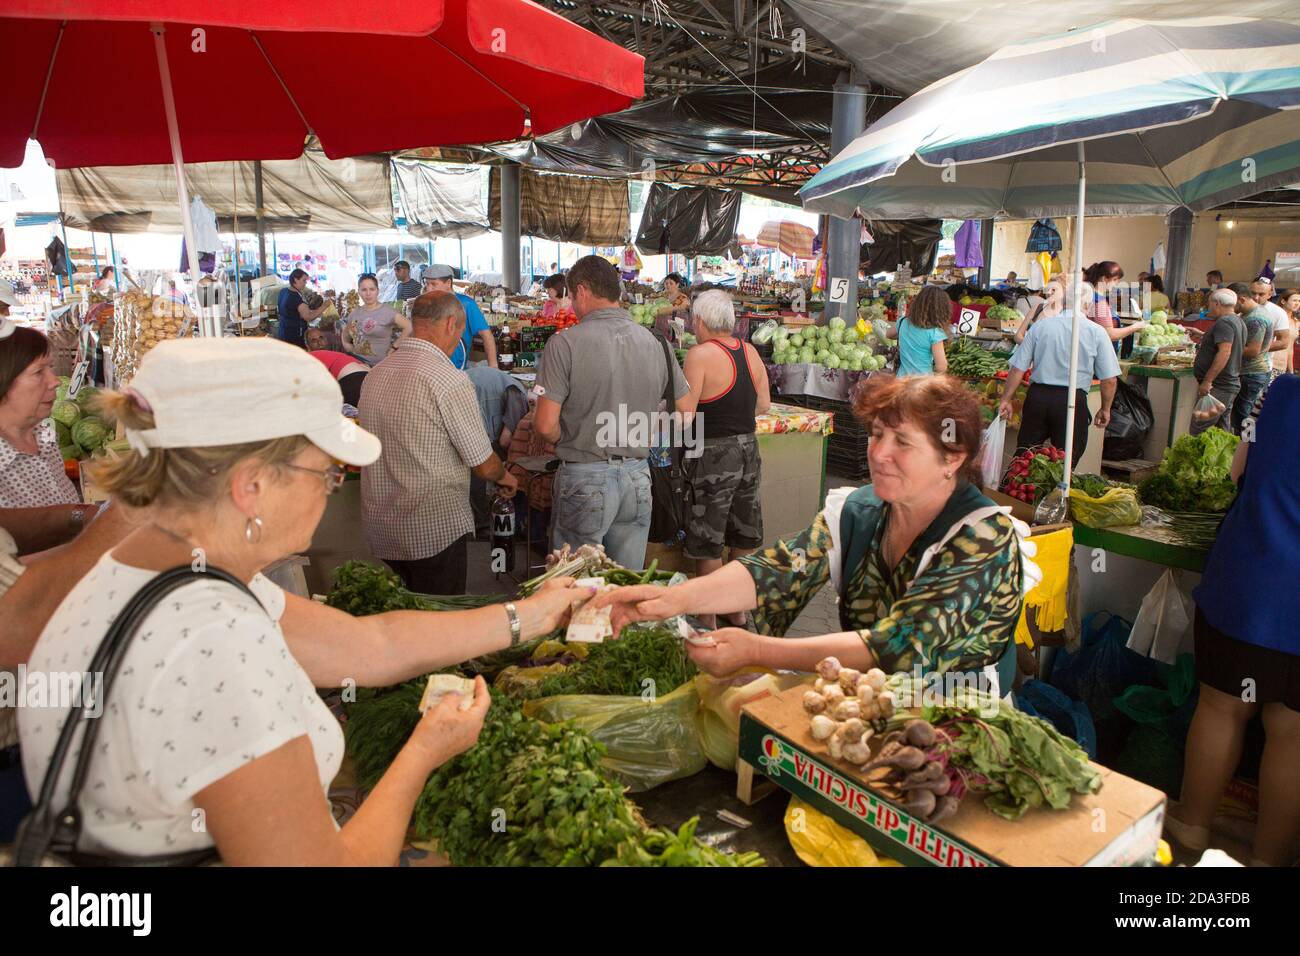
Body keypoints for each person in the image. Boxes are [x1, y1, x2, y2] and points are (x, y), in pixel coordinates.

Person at [15, 336, 584, 864]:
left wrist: (529, 615)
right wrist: (424, 751)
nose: (330, 488)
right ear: (252, 485)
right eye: (325, 472)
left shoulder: (157, 573)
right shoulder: (212, 643)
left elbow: (370, 645)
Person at [595, 376, 1030, 693]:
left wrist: (757, 651)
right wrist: (674, 599)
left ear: (952, 457)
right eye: (876, 435)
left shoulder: (983, 538)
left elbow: (900, 646)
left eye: (903, 442)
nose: (879, 453)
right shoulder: (861, 511)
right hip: (870, 703)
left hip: (958, 725)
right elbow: (779, 570)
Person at [1166, 376, 1300, 866]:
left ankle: (1193, 826)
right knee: (1293, 732)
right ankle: (1269, 856)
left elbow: (1236, 471)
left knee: (1223, 707)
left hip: (1252, 583)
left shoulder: (1280, 393)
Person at [534, 255, 689, 571]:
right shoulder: (656, 342)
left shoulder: (564, 344)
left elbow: (545, 425)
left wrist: (575, 433)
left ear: (582, 290)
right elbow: (685, 410)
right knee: (625, 586)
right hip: (637, 478)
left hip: (584, 476)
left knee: (575, 587)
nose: (572, 305)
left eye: (572, 296)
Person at [360, 292, 518, 595]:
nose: (458, 338)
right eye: (460, 331)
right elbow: (484, 464)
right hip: (432, 528)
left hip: (383, 528)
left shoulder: (376, 374)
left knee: (404, 613)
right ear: (450, 324)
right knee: (439, 621)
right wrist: (506, 477)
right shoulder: (448, 380)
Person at [676, 291, 770, 615]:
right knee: (742, 533)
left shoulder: (699, 355)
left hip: (714, 452)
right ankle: (737, 611)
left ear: (699, 321)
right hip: (749, 450)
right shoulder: (750, 352)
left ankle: (708, 618)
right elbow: (764, 405)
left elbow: (686, 414)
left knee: (708, 537)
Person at [999, 279, 1120, 466]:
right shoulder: (1097, 332)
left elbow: (1018, 368)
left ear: (1064, 302)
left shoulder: (1040, 327)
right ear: (1087, 305)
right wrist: (1105, 409)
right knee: (1065, 461)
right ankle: (1056, 494)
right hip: (1071, 400)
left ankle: (1014, 492)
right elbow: (1109, 380)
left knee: (1024, 457)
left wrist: (1006, 399)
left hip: (1037, 398)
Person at [1, 325, 81, 510]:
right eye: (38, 372)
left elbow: (68, 512)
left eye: (50, 368)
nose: (55, 381)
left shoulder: (44, 437)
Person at [465, 364, 529, 536]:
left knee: (476, 469)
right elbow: (505, 440)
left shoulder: (507, 384)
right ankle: (484, 525)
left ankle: (481, 521)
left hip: (470, 402)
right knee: (481, 469)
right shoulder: (517, 391)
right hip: (476, 421)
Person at [1185, 288, 1245, 435]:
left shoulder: (1224, 322)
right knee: (1220, 432)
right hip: (1227, 386)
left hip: (1218, 387)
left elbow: (1224, 352)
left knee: (1199, 430)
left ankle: (1195, 458)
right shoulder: (1237, 321)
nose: (1207, 307)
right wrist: (1204, 335)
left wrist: (1207, 381)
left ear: (1217, 303)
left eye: (1209, 303)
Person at [421, 264, 496, 370]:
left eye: (433, 284)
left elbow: (487, 336)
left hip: (455, 371)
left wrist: (493, 368)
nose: (429, 288)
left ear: (448, 283)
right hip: (429, 368)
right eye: (426, 284)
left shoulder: (466, 304)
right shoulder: (426, 304)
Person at [1230, 283, 1275, 434]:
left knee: (1245, 416)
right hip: (1250, 372)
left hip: (1252, 374)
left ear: (1241, 299)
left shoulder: (1256, 318)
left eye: (1231, 302)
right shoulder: (1249, 314)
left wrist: (1225, 349)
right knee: (1241, 416)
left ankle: (1246, 450)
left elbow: (1252, 350)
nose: (1230, 307)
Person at [341, 273, 410, 365]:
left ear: (377, 291)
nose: (368, 294)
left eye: (372, 289)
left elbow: (409, 326)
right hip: (359, 364)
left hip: (381, 365)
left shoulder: (387, 311)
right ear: (359, 292)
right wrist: (347, 346)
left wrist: (394, 347)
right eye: (364, 290)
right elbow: (345, 333)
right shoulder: (355, 312)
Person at [891, 285, 950, 377]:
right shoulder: (935, 333)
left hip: (900, 381)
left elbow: (888, 334)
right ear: (942, 310)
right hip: (922, 384)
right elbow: (941, 367)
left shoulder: (903, 322)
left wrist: (904, 335)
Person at [304, 327, 370, 408]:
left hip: (357, 377)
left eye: (321, 338)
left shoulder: (308, 358)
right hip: (367, 375)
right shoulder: (334, 356)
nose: (319, 342)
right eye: (314, 340)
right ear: (308, 345)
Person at [1082, 261, 1146, 344]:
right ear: (1104, 279)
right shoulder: (1099, 302)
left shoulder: (1091, 296)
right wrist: (1135, 327)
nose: (1117, 283)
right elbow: (1109, 334)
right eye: (1115, 280)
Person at [1250, 278, 1294, 381]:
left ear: (1269, 295)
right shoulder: (1242, 308)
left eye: (1261, 294)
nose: (1256, 297)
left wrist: (1255, 348)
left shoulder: (1277, 312)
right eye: (1253, 293)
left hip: (1259, 368)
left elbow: (1283, 342)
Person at [276, 268, 328, 349]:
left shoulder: (284, 291)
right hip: (294, 335)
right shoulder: (295, 297)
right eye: (304, 280)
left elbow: (294, 311)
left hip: (283, 331)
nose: (305, 283)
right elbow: (308, 317)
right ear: (295, 280)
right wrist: (324, 306)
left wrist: (316, 311)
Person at [1013, 275, 1066, 343]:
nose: (1049, 292)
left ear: (1063, 291)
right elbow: (1018, 336)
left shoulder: (1067, 313)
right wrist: (1031, 346)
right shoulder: (1038, 308)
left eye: (1054, 289)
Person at [1278, 288, 1300, 376]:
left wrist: (1290, 371)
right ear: (1283, 301)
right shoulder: (1276, 317)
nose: (1297, 303)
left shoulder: (1296, 322)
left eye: (1299, 301)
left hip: (1283, 366)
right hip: (1270, 363)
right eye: (1294, 300)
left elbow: (1290, 348)